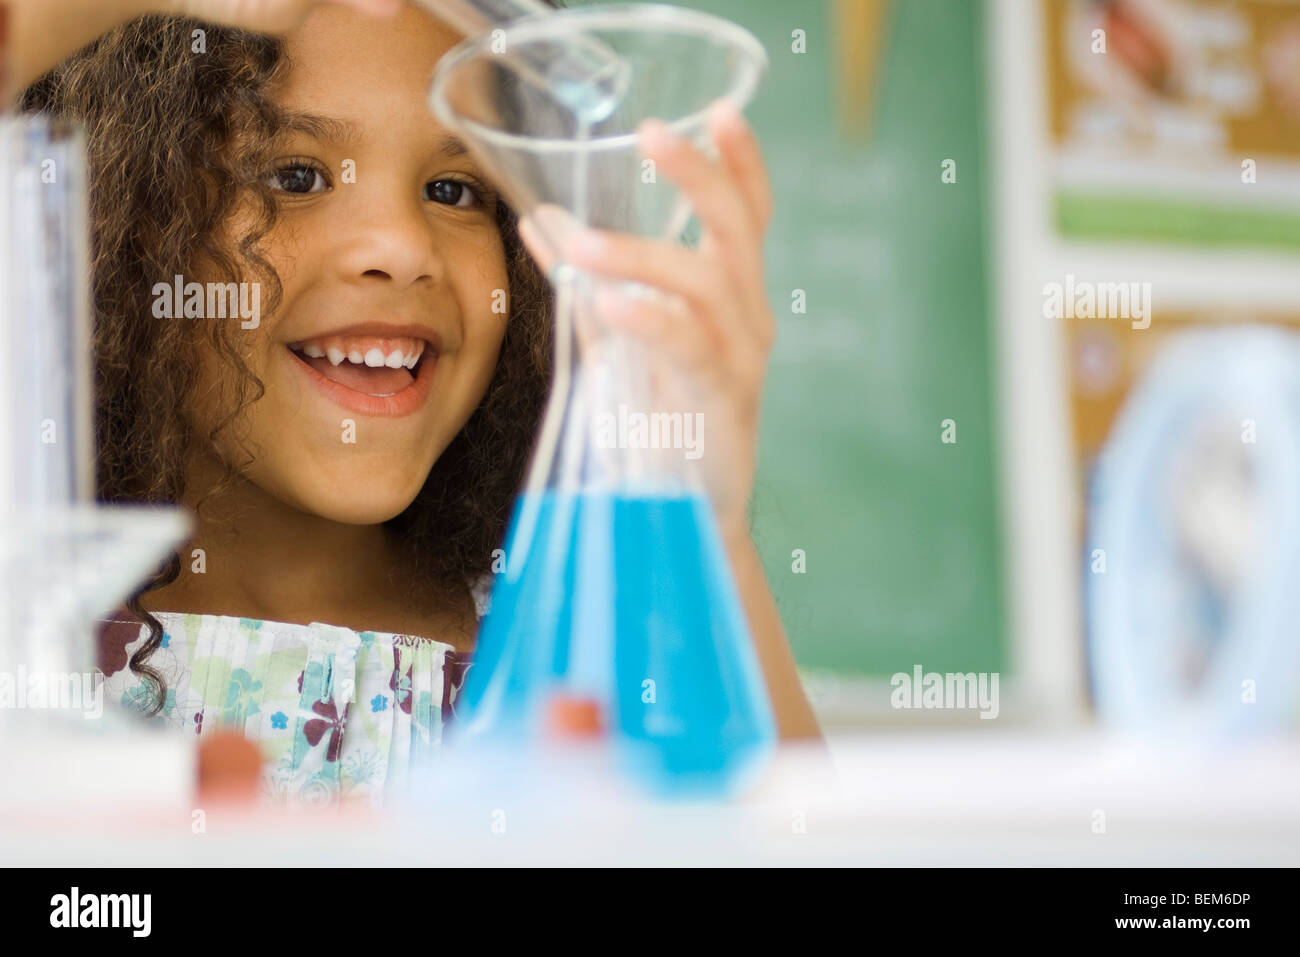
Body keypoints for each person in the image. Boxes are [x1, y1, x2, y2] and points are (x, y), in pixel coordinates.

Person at [7, 0, 821, 804]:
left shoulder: (571, 642)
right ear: (127, 222)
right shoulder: (32, 636)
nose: (399, 247)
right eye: (295, 176)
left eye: (454, 189)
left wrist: (701, 525)